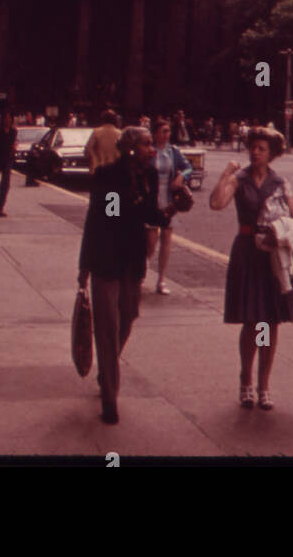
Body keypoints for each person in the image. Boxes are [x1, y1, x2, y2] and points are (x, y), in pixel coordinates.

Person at [78, 126, 175, 424]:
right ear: (130, 148)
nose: (152, 149)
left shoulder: (146, 177)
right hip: (106, 260)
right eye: (147, 144)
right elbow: (104, 219)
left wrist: (173, 208)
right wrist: (84, 268)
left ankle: (106, 371)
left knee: (129, 316)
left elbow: (149, 215)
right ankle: (110, 397)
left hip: (132, 262)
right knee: (107, 328)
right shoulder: (107, 177)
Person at [209, 126, 293, 411]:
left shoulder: (280, 182)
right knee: (252, 319)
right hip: (248, 251)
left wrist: (284, 226)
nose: (255, 152)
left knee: (269, 321)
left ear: (272, 153)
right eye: (253, 147)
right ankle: (245, 381)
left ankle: (264, 386)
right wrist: (226, 173)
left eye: (261, 148)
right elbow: (216, 203)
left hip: (272, 254)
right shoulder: (240, 178)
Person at [145, 117, 193, 294]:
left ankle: (161, 280)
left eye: (168, 131)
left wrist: (182, 177)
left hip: (169, 198)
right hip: (152, 199)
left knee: (167, 237)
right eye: (163, 131)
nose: (167, 135)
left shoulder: (173, 151)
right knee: (151, 242)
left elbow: (188, 167)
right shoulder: (149, 151)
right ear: (155, 133)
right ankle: (142, 270)